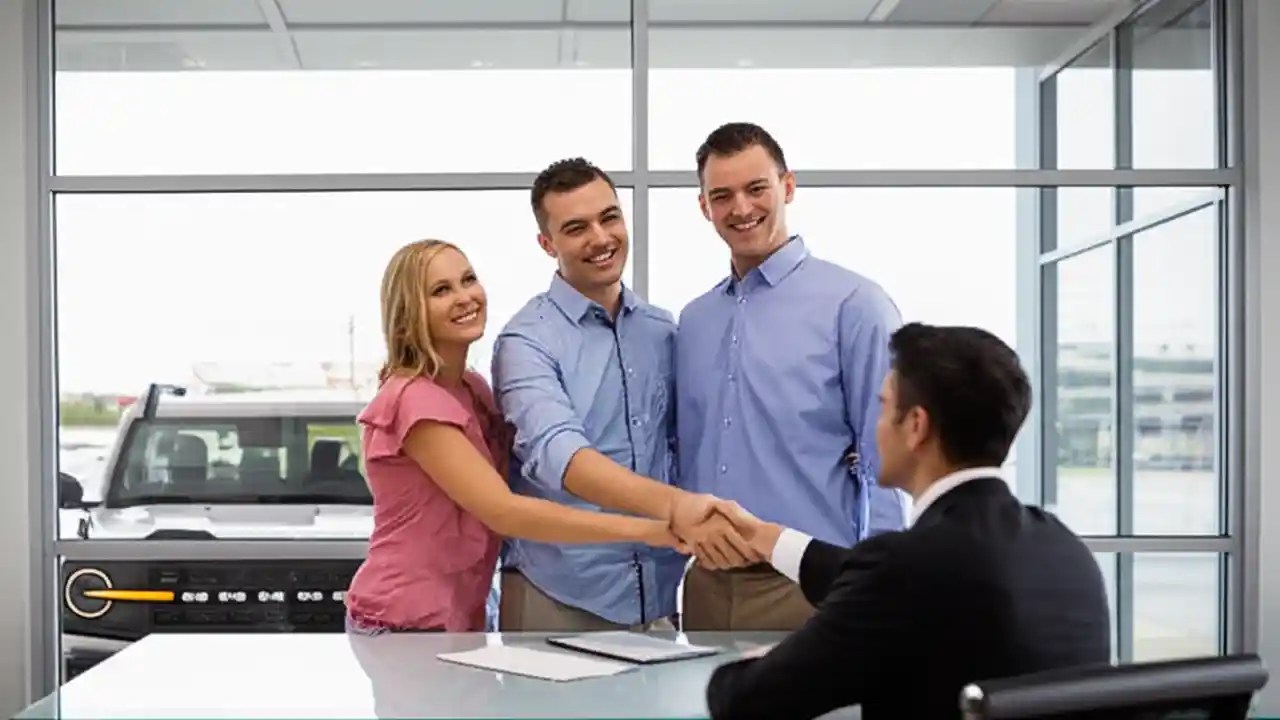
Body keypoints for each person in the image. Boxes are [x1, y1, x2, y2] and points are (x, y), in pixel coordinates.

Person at [704, 323, 1112, 720]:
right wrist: (769, 540)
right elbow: (898, 586)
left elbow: (746, 703)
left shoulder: (904, 570)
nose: (876, 427)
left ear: (916, 426)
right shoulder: (1065, 550)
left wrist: (765, 660)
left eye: (883, 407)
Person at [343, 238, 688, 635]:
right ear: (407, 317)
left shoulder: (471, 388)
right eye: (440, 291)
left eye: (467, 279)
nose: (464, 297)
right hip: (403, 621)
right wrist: (652, 529)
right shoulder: (414, 401)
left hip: (458, 616)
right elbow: (503, 510)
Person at [492, 157, 755, 632]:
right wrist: (676, 508)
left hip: (658, 598)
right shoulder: (525, 342)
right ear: (547, 244)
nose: (600, 238)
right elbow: (561, 457)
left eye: (609, 217)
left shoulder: (662, 330)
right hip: (559, 596)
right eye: (576, 228)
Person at [676, 121, 909, 631]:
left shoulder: (855, 305)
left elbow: (887, 465)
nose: (741, 208)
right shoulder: (692, 322)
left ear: (787, 186)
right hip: (705, 587)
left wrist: (882, 588)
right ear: (704, 207)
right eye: (722, 195)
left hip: (808, 586)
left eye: (756, 188)